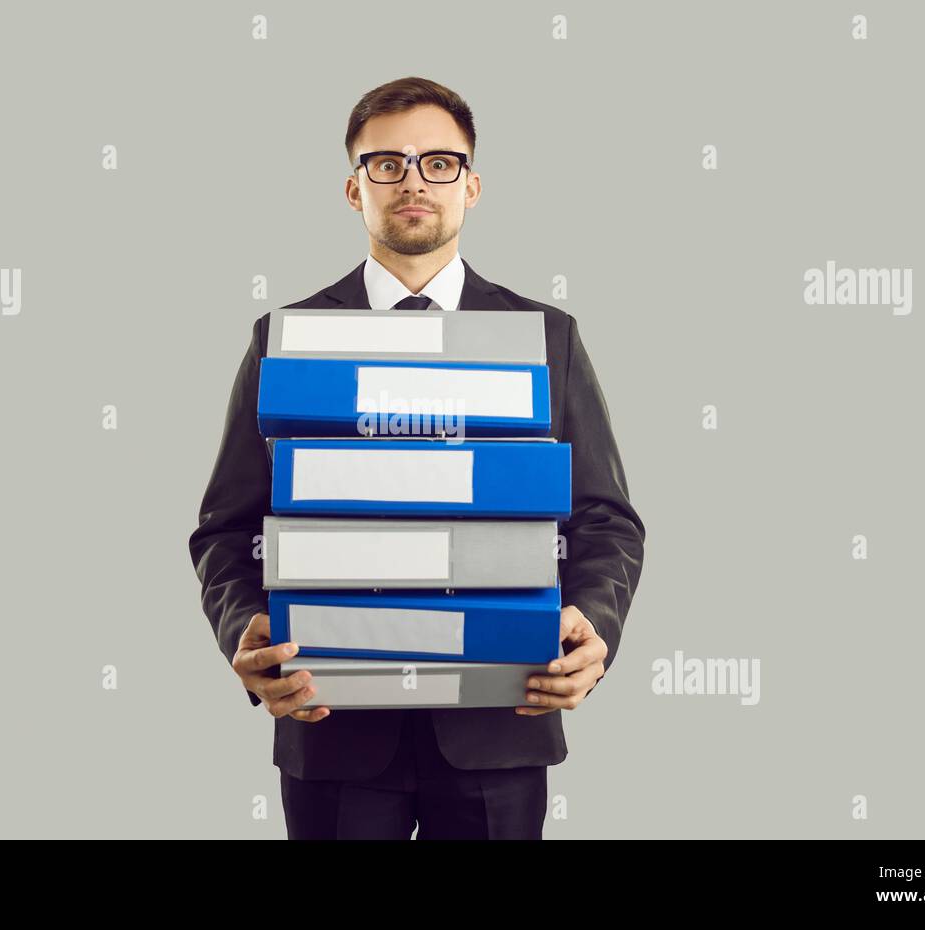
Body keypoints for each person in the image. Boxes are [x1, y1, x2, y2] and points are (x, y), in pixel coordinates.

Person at [189, 76, 645, 839]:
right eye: (386, 164)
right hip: (331, 727)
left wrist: (592, 625)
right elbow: (226, 528)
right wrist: (246, 630)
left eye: (438, 162)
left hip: (502, 721)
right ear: (352, 188)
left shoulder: (545, 336)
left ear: (471, 185)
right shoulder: (287, 337)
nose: (412, 181)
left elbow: (604, 518)